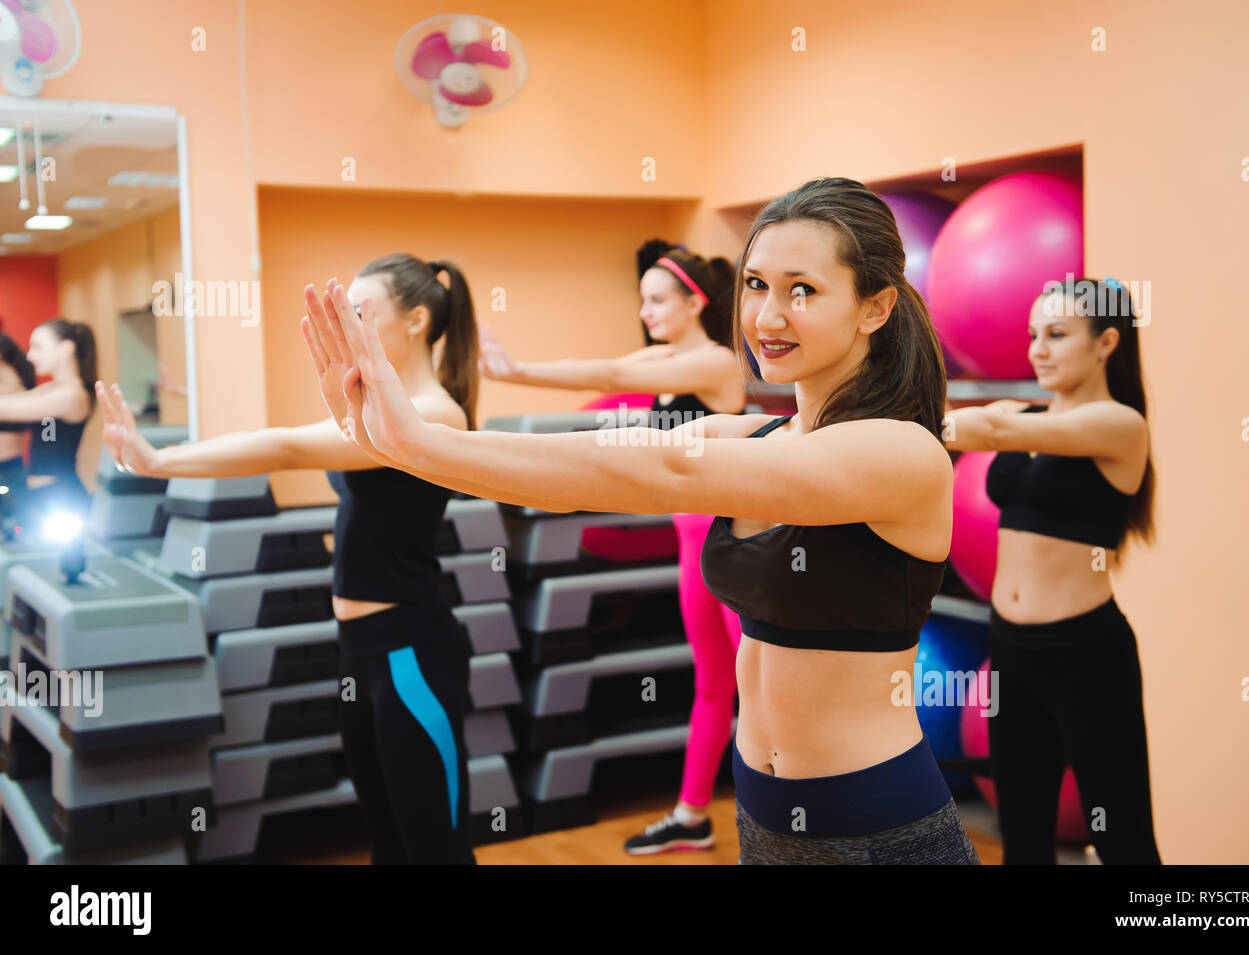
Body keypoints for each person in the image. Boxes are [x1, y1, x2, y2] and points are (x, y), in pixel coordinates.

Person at [303, 176, 981, 865]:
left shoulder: (902, 451)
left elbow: (665, 475)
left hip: (879, 824)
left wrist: (419, 442)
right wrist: (399, 442)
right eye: (755, 286)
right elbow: (593, 464)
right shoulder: (751, 434)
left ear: (875, 306)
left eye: (801, 290)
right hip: (767, 819)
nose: (768, 317)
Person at [98, 254, 480, 865]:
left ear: (415, 321)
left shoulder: (434, 415)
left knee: (434, 846)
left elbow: (288, 446)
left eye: (361, 312)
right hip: (360, 649)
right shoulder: (378, 410)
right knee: (385, 838)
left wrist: (162, 462)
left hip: (412, 653)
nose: (346, 324)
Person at [477, 244, 750, 853]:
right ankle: (691, 815)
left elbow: (614, 377)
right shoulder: (668, 359)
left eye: (657, 300)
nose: (647, 311)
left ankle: (787, 818)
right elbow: (611, 367)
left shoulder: (714, 363)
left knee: (757, 684)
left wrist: (514, 370)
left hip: (734, 543)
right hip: (691, 541)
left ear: (693, 302)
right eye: (644, 301)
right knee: (712, 683)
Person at [943, 277, 1161, 864]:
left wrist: (906, 413)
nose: (1038, 348)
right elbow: (993, 424)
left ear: (1107, 342)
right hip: (1011, 651)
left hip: (1086, 655)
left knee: (1123, 842)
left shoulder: (1118, 426)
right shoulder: (1023, 412)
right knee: (1024, 837)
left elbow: (989, 428)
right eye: (1033, 334)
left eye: (1057, 334)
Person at [0, 318, 98, 527]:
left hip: (62, 494)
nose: (30, 355)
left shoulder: (71, 396)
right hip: (42, 494)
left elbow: (6, 409)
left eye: (38, 347)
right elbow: (11, 401)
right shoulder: (52, 389)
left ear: (66, 348)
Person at [0, 332, 37, 536]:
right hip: (11, 467)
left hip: (12, 468)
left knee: (23, 526)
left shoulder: (18, 384)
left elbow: (18, 392)